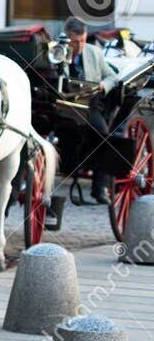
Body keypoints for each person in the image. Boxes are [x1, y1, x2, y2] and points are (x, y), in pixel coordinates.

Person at [62, 16, 113, 202]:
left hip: (88, 105)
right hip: (64, 107)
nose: (79, 46)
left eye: (82, 40)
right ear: (66, 38)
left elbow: (112, 76)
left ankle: (99, 188)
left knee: (104, 135)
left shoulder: (94, 52)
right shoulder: (58, 51)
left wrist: (102, 85)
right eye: (75, 42)